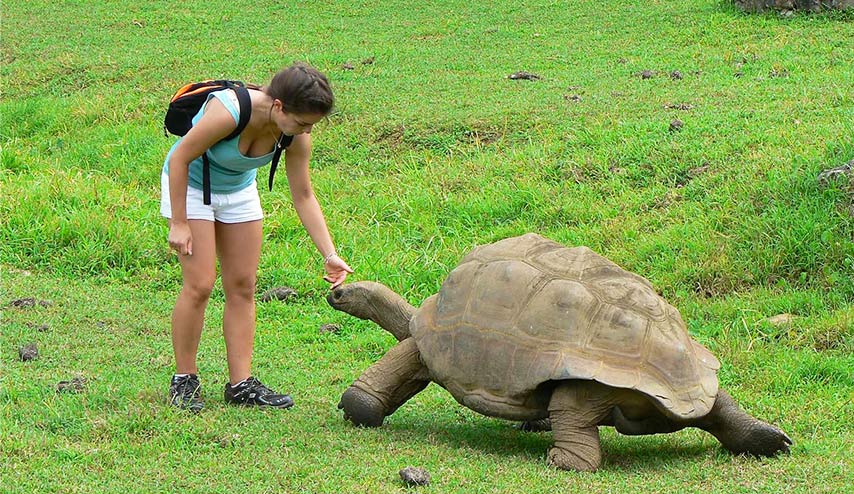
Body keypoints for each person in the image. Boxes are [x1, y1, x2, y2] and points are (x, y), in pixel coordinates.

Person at [160, 63, 353, 412]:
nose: (307, 130)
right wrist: (179, 222)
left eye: (311, 124)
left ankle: (241, 385)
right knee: (201, 284)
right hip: (191, 186)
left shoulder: (296, 134)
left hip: (237, 190)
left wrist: (329, 254)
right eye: (302, 122)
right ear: (278, 106)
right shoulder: (230, 111)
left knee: (243, 285)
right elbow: (181, 159)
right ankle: (184, 380)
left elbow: (304, 195)